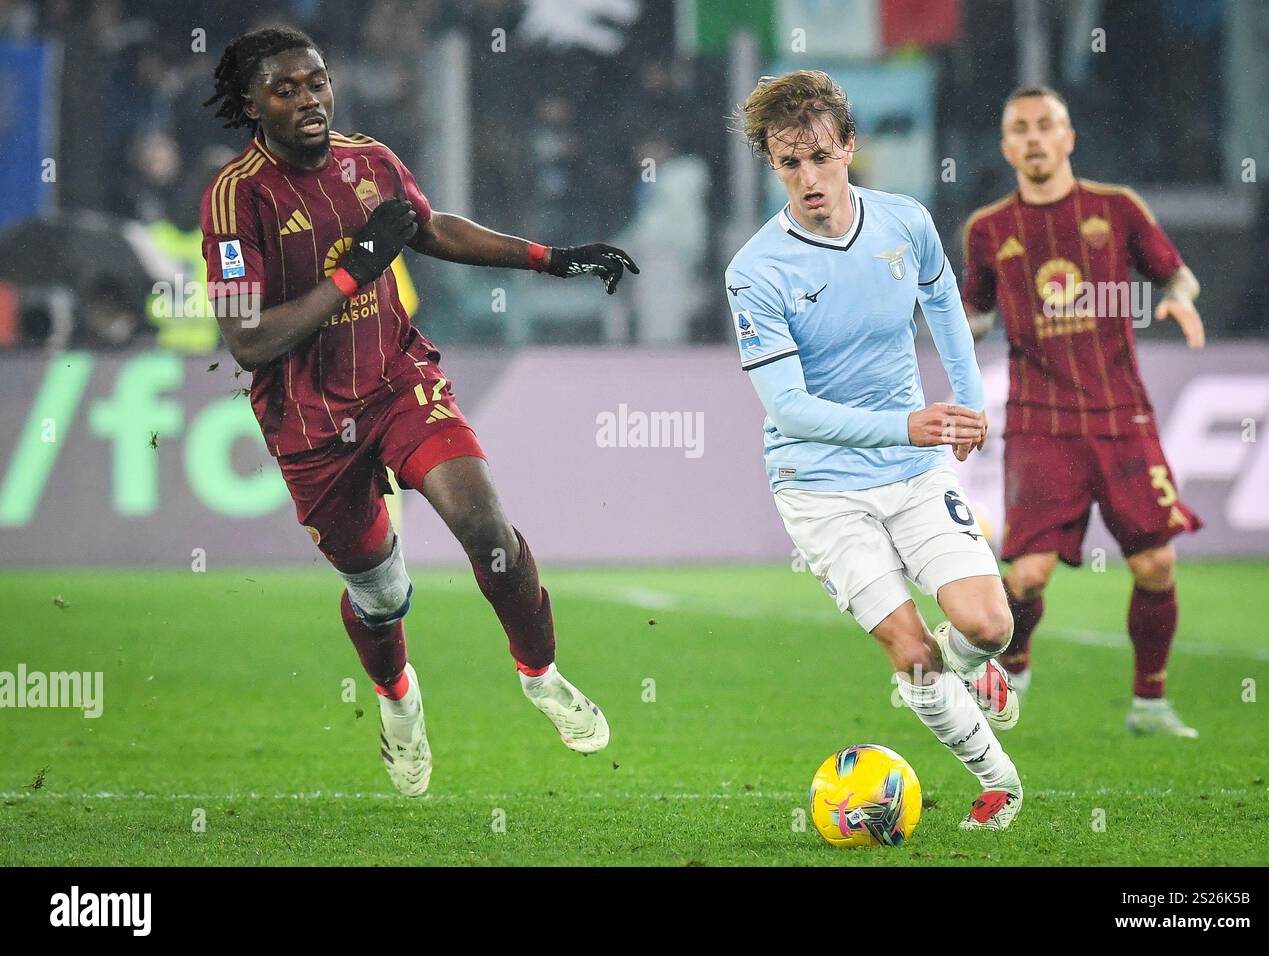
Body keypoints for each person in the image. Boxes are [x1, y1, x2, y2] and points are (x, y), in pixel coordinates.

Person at [199, 27, 638, 796]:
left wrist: (552, 258)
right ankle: (398, 700)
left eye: (317, 81)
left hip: (398, 381)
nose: (310, 100)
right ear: (250, 105)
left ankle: (541, 675)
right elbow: (246, 340)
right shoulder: (237, 199)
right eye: (286, 89)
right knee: (381, 595)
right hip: (307, 419)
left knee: (485, 530)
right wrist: (353, 274)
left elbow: (431, 228)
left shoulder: (369, 160)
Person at [727, 70, 1022, 831]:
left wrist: (970, 406)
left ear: (849, 147)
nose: (809, 177)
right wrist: (909, 424)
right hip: (819, 483)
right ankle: (998, 782)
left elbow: (945, 304)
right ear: (772, 164)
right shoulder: (756, 271)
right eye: (790, 163)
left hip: (913, 467)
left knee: (990, 628)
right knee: (912, 654)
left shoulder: (904, 222)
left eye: (821, 156)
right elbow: (789, 407)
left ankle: (969, 671)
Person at [961, 86, 1203, 737]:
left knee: (1156, 563)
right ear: (1008, 146)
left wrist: (1179, 298)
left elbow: (1174, 274)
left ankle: (1149, 704)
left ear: (1069, 138)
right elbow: (976, 312)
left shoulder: (1115, 209)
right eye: (1022, 129)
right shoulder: (987, 231)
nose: (1035, 138)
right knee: (1030, 574)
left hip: (1123, 416)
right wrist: (948, 325)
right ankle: (1014, 666)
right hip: (1041, 423)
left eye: (1048, 126)